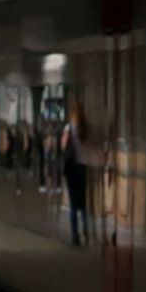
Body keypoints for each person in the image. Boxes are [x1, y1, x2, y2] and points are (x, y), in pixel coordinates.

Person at [60, 104, 88, 246]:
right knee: (83, 205)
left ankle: (75, 237)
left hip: (72, 168)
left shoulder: (69, 128)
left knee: (73, 205)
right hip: (83, 167)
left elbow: (63, 146)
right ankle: (87, 233)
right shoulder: (85, 128)